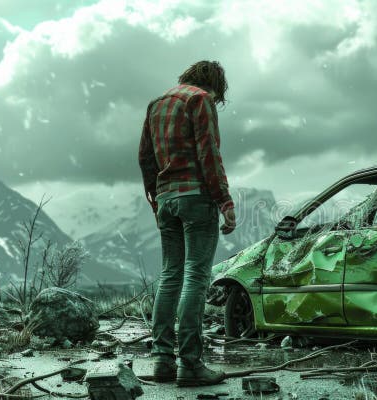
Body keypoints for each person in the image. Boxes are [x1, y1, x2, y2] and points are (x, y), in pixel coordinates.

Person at [138, 60, 236, 386]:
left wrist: (156, 199)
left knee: (170, 276)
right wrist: (224, 201)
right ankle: (191, 363)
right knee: (196, 276)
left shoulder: (156, 104)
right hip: (196, 198)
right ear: (215, 85)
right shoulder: (200, 100)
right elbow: (209, 152)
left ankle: (162, 359)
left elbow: (146, 158)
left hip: (167, 200)